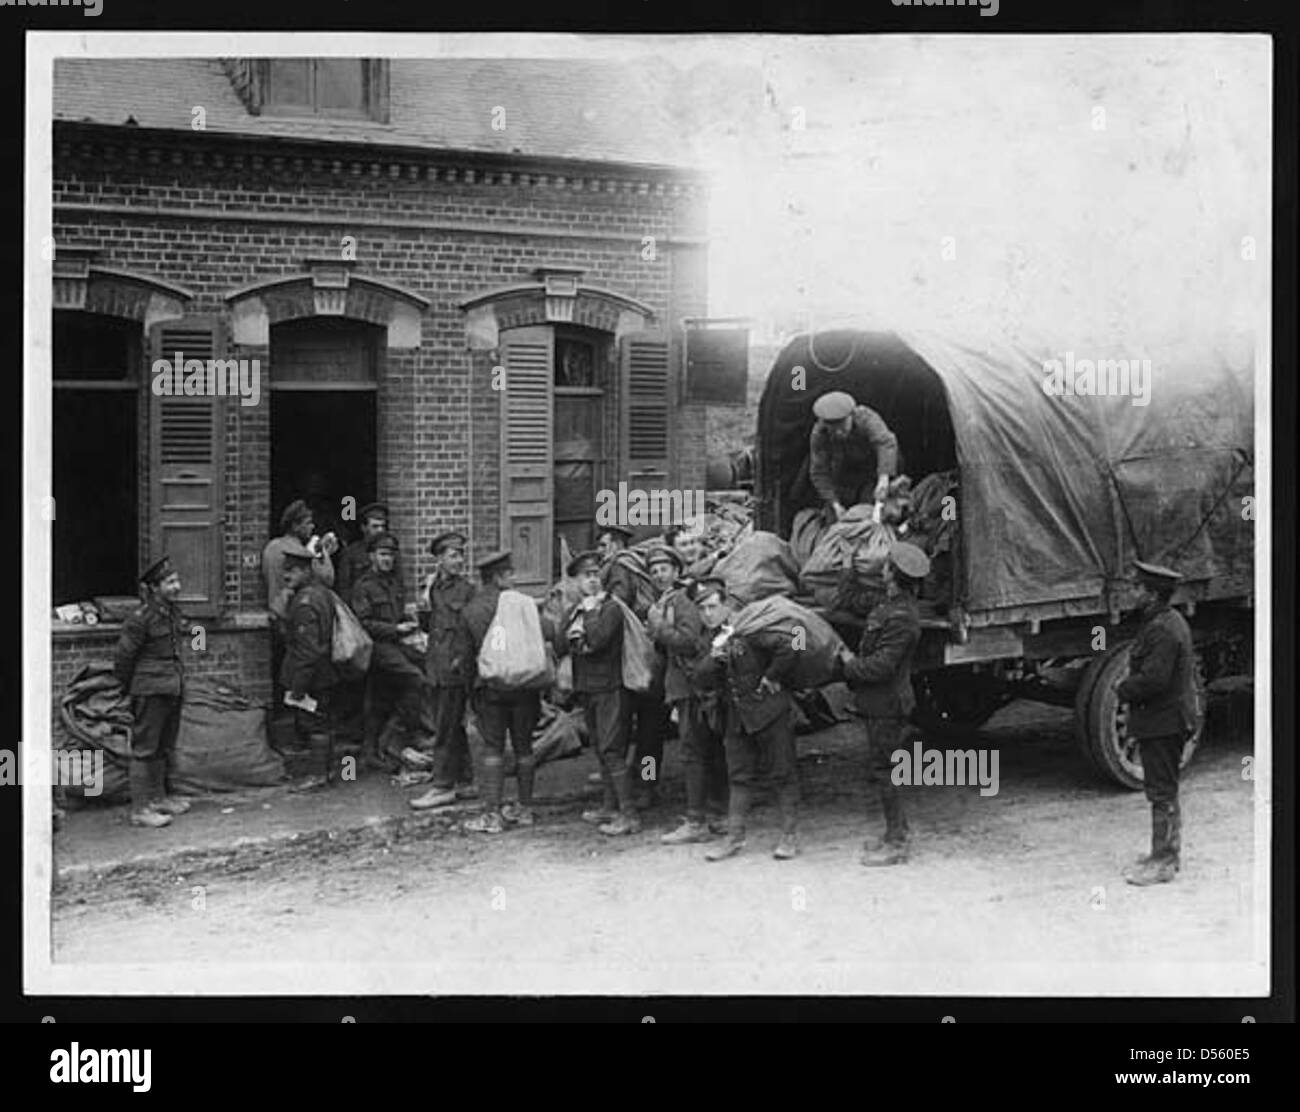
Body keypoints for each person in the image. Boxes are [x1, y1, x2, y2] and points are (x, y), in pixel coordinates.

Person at [695, 578, 800, 861]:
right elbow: (699, 675)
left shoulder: (749, 629)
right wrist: (713, 659)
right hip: (736, 718)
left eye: (712, 607)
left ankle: (789, 836)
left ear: (726, 605)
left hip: (769, 712)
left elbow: (792, 644)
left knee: (781, 773)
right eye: (702, 608)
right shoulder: (709, 639)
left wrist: (772, 676)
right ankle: (734, 838)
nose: (707, 614)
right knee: (739, 777)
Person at [839, 541, 929, 866]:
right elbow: (849, 599)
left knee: (886, 771)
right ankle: (896, 832)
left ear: (892, 574)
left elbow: (881, 667)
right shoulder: (887, 603)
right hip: (878, 703)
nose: (882, 568)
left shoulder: (902, 617)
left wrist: (848, 663)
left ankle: (897, 843)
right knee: (884, 769)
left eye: (886, 565)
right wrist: (850, 566)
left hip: (887, 704)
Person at [1119, 561, 1199, 886]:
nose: (1132, 592)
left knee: (1161, 792)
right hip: (1164, 720)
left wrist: (1121, 688)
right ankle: (1165, 853)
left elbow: (1154, 680)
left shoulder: (1163, 629)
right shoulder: (1164, 622)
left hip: (1164, 722)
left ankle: (1163, 861)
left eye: (1138, 588)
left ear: (1152, 595)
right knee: (1162, 790)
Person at [460, 550, 550, 833]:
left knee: (493, 748)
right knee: (525, 747)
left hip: (491, 690)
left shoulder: (472, 610)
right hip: (524, 688)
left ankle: (493, 815)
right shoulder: (524, 604)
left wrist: (470, 692)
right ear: (498, 577)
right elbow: (545, 634)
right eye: (509, 574)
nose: (513, 578)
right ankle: (525, 809)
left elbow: (465, 658)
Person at [647, 548, 729, 844]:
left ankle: (697, 821)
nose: (658, 575)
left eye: (664, 568)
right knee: (709, 749)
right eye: (653, 570)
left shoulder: (681, 600)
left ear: (677, 570)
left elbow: (690, 642)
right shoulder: (667, 601)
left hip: (691, 686)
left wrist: (659, 629)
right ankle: (718, 814)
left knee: (693, 752)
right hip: (686, 685)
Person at [560, 549, 639, 836]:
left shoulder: (610, 608)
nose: (592, 581)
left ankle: (629, 814)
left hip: (611, 689)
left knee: (613, 750)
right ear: (576, 581)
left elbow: (599, 639)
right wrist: (575, 616)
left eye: (595, 574)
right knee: (601, 750)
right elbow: (559, 643)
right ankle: (610, 807)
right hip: (588, 690)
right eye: (585, 576)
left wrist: (591, 613)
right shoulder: (576, 610)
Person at [112, 555, 191, 828]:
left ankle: (158, 798)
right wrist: (128, 688)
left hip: (172, 686)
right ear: (155, 588)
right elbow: (124, 658)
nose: (177, 586)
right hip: (150, 689)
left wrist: (200, 643)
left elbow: (193, 637)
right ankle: (140, 809)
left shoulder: (173, 613)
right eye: (170, 582)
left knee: (163, 746)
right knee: (145, 748)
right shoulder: (141, 618)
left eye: (177, 580)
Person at [597, 521, 670, 810]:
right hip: (651, 660)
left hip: (636, 660)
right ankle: (645, 784)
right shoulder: (640, 567)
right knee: (650, 735)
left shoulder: (619, 568)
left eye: (603, 545)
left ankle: (642, 788)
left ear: (615, 544)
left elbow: (617, 607)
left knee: (640, 733)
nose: (600, 551)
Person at [349, 532, 431, 773]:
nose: (388, 560)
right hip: (375, 646)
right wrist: (395, 628)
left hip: (395, 643)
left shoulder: (394, 583)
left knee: (380, 700)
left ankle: (372, 752)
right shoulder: (363, 586)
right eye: (383, 554)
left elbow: (398, 612)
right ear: (372, 556)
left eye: (391, 555)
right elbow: (363, 623)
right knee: (415, 679)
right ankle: (412, 732)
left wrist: (409, 619)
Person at [410, 531, 478, 810]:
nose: (458, 560)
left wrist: (461, 662)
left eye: (460, 554)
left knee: (444, 727)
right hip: (436, 665)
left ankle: (442, 786)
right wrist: (424, 598)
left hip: (454, 667)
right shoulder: (435, 588)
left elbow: (470, 631)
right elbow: (428, 627)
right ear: (439, 559)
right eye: (452, 555)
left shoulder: (467, 590)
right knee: (451, 725)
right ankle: (464, 779)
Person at [262, 499, 338, 715]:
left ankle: (285, 726)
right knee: (306, 681)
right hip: (301, 622)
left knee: (284, 675)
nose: (312, 527)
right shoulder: (302, 554)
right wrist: (323, 552)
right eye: (308, 522)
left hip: (278, 616)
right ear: (295, 526)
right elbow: (327, 579)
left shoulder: (271, 548)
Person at [280, 543, 342, 791]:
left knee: (314, 724)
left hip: (312, 677)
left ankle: (317, 776)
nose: (287, 576)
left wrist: (298, 688)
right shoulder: (322, 593)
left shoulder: (305, 602)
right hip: (325, 674)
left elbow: (308, 652)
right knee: (324, 723)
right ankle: (326, 772)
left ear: (306, 571)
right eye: (286, 571)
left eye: (292, 571)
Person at [808, 390, 899, 523]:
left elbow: (885, 443)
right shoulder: (819, 434)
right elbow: (819, 472)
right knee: (833, 519)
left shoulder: (865, 417)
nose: (839, 433)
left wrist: (884, 477)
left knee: (873, 512)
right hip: (846, 472)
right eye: (834, 430)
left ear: (851, 416)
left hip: (875, 468)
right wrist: (835, 504)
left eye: (843, 428)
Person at [336, 501, 397, 600]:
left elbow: (398, 583)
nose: (380, 531)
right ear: (364, 528)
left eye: (383, 526)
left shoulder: (391, 552)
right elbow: (344, 588)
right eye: (375, 526)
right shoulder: (351, 553)